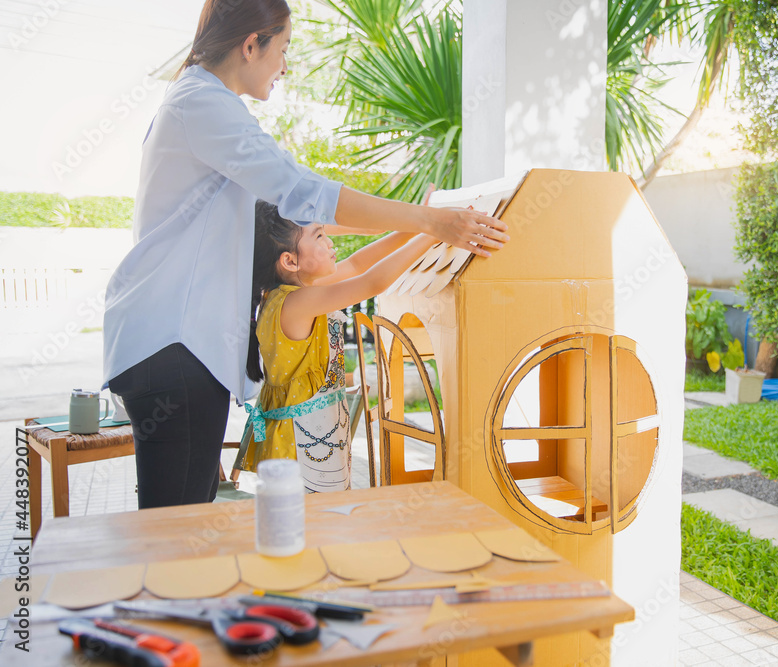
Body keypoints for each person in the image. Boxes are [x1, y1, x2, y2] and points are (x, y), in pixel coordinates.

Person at [102, 0, 507, 509]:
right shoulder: (202, 106)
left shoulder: (204, 105)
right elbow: (301, 191)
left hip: (175, 347)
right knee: (173, 533)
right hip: (172, 346)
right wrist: (429, 222)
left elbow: (294, 211)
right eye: (285, 48)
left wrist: (420, 220)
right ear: (252, 44)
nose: (286, 65)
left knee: (182, 524)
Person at [242, 200, 440, 492]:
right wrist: (434, 231)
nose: (330, 241)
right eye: (319, 236)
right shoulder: (296, 302)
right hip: (300, 443)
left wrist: (415, 228)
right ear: (290, 261)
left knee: (318, 526)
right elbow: (371, 282)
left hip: (313, 433)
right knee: (313, 528)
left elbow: (357, 265)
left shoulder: (292, 293)